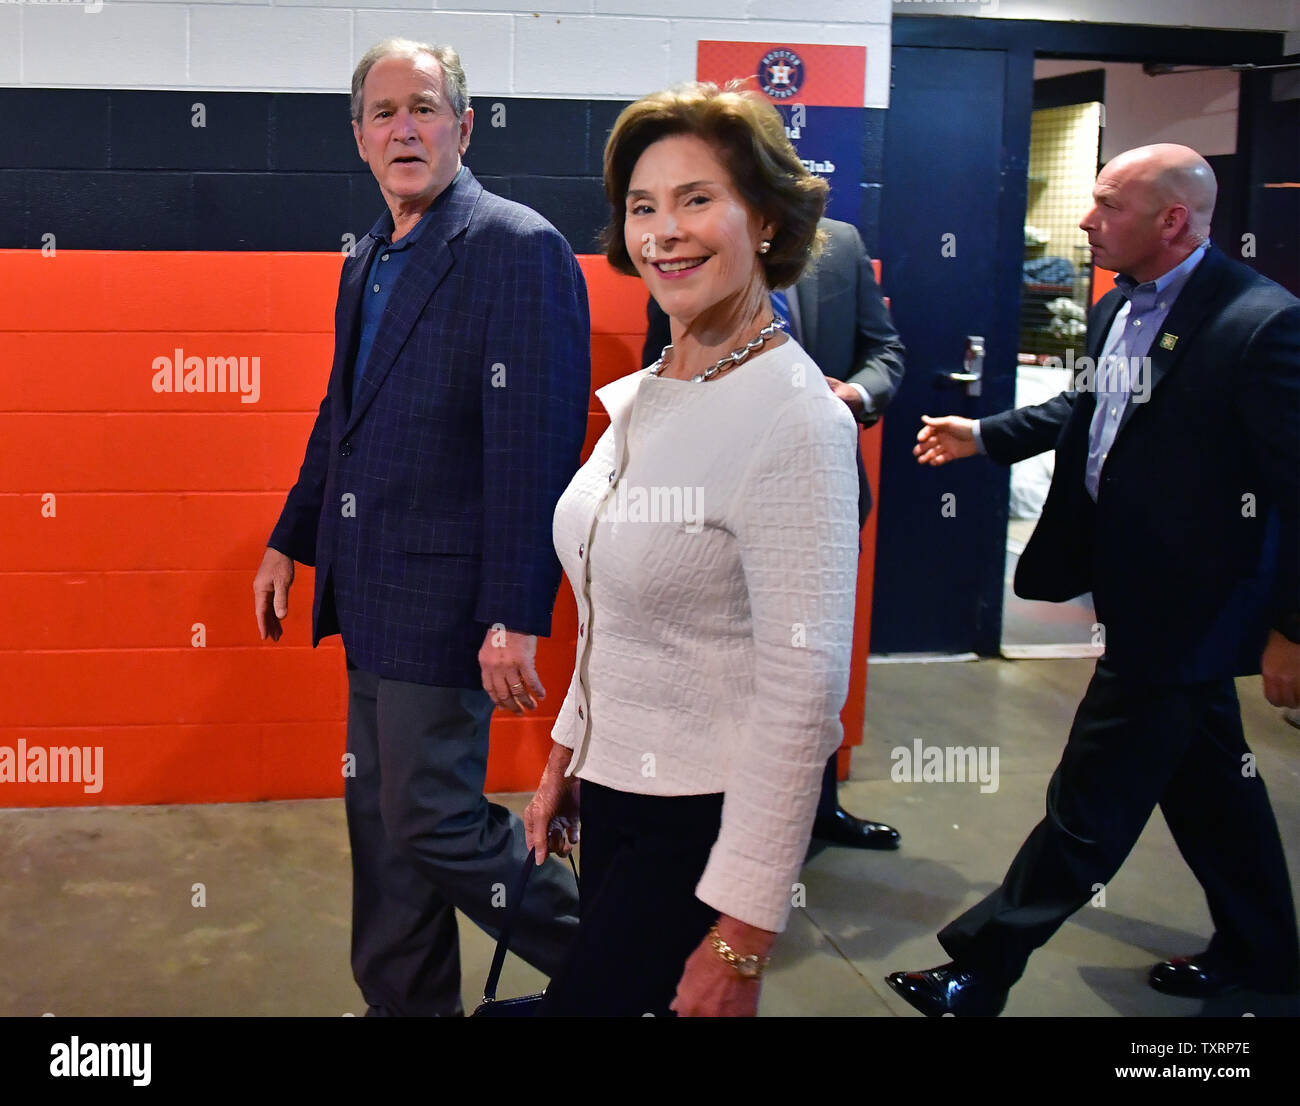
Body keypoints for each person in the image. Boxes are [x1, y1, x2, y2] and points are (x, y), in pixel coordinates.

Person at [888, 143, 1300, 1016]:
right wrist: (986, 433)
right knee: (1213, 788)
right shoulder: (1121, 310)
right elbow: (1090, 405)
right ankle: (1265, 956)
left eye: (1108, 203)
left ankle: (983, 965)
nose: (1086, 219)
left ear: (1173, 219)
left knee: (1091, 799)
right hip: (1132, 589)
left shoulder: (1259, 323)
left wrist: (1291, 630)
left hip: (1190, 610)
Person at [251, 38, 589, 1017]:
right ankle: (405, 1003)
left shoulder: (515, 247)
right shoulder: (369, 258)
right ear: (358, 137)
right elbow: (340, 416)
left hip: (448, 607)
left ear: (464, 127)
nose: (405, 127)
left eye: (426, 107)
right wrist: (291, 537)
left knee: (431, 815)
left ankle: (626, 956)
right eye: (385, 111)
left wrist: (516, 611)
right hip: (368, 589)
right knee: (382, 821)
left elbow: (535, 450)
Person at [523, 81, 860, 1017]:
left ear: (764, 222)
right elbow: (610, 605)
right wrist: (566, 756)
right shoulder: (657, 388)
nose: (663, 230)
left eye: (696, 199)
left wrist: (744, 935)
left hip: (704, 826)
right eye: (643, 206)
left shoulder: (795, 420)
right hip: (617, 794)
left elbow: (803, 699)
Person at [644, 215, 905, 850]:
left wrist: (855, 395)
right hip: (715, 492)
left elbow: (885, 352)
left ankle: (816, 810)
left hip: (820, 487)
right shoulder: (684, 247)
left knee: (809, 653)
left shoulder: (839, 244)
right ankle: (724, 825)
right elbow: (663, 361)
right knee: (724, 656)